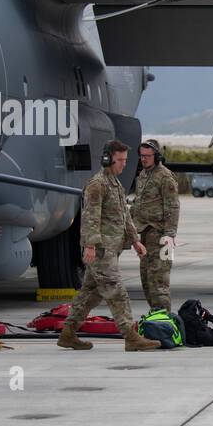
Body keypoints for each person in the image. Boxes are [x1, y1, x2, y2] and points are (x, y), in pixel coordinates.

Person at [58, 141, 160, 351]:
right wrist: (90, 245)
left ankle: (68, 333)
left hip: (112, 248)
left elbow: (124, 217)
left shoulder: (115, 184)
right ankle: (131, 337)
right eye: (120, 160)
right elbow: (90, 216)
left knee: (90, 294)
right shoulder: (97, 184)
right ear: (107, 159)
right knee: (117, 292)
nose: (124, 164)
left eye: (125, 160)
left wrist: (135, 241)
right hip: (101, 250)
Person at [130, 139, 180, 312]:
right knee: (146, 281)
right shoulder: (143, 175)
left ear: (157, 157)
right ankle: (156, 318)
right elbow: (139, 203)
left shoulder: (165, 177)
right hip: (144, 236)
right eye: (141, 156)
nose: (144, 159)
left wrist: (170, 235)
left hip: (160, 237)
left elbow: (173, 206)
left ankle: (165, 323)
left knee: (159, 283)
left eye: (147, 156)